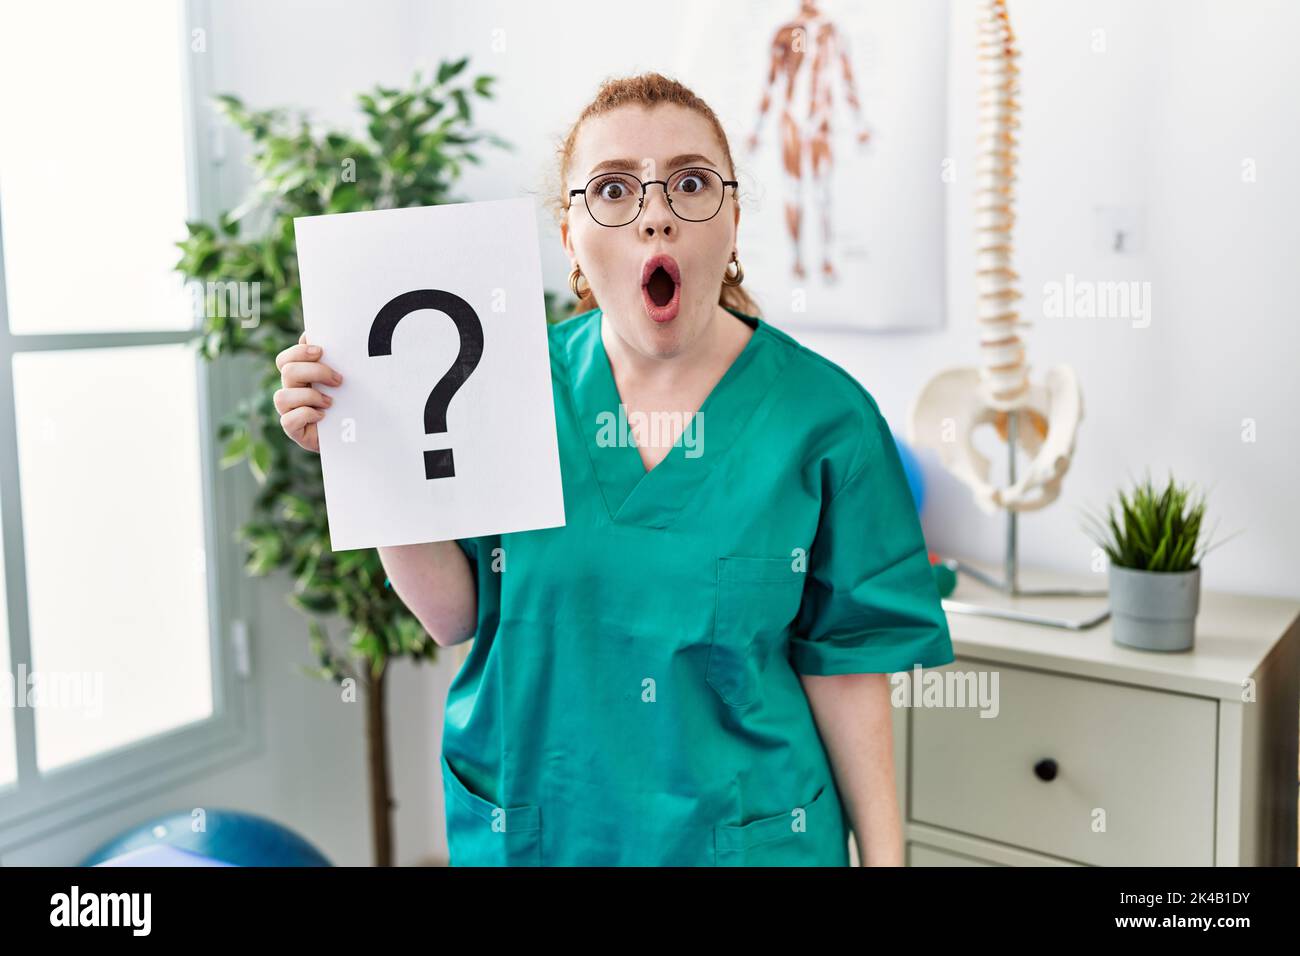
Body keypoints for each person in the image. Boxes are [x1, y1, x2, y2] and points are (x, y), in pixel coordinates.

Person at [275, 72, 953, 867]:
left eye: (691, 183)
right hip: (544, 831)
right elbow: (453, 616)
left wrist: (886, 860)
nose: (655, 213)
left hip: (746, 842)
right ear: (569, 233)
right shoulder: (499, 386)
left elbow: (845, 671)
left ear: (732, 220)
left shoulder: (826, 421)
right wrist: (368, 455)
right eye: (613, 189)